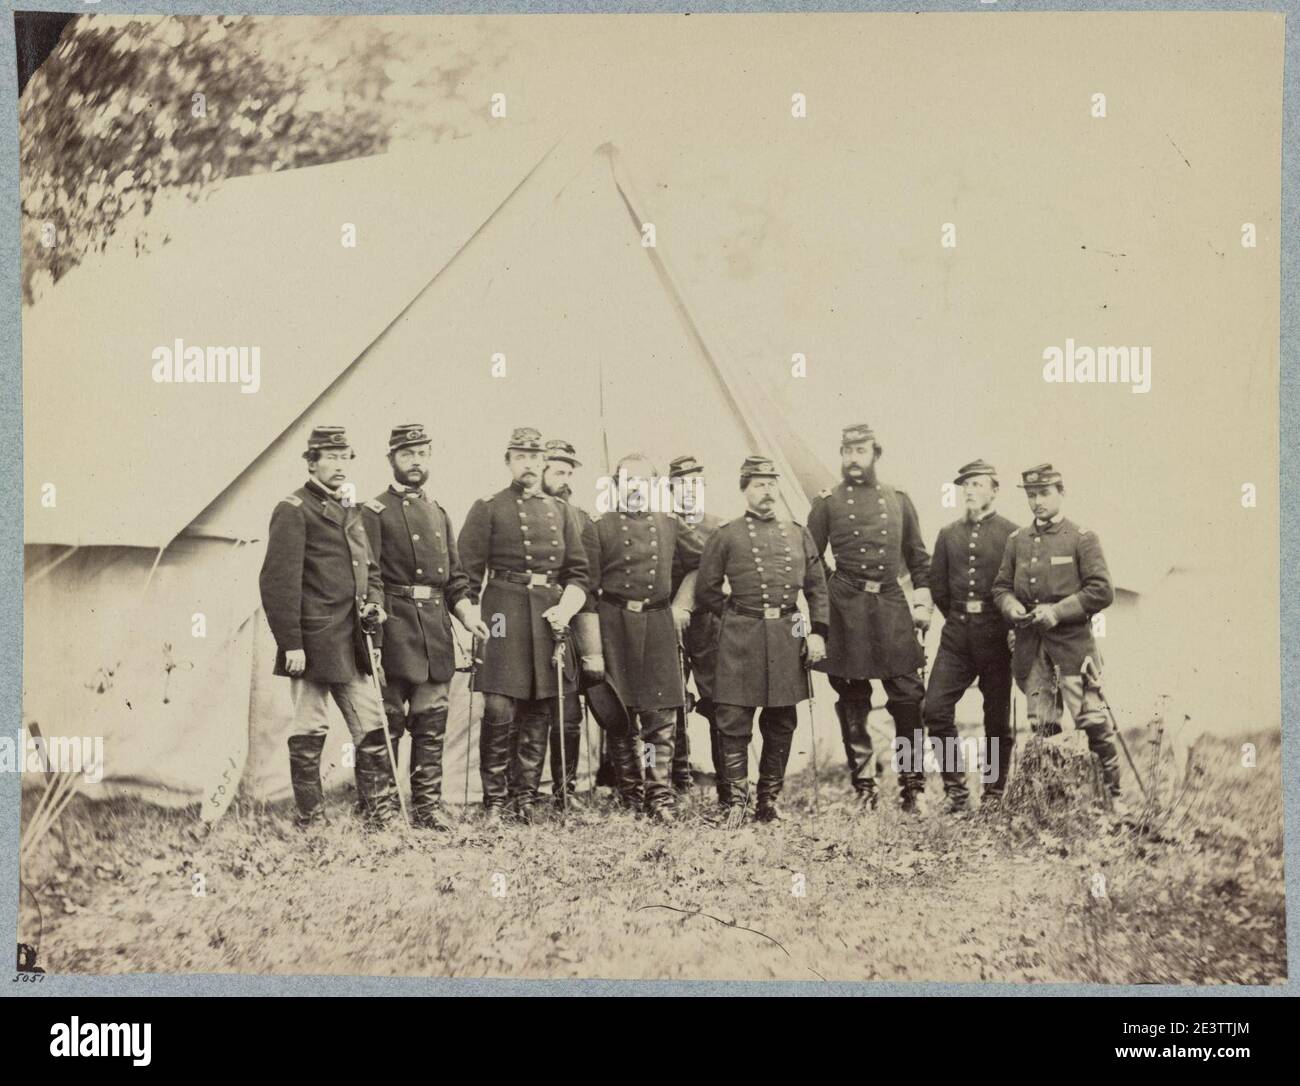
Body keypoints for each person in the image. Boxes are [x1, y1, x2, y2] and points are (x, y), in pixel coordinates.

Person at [457, 427, 590, 823]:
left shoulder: (562, 512)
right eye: (519, 457)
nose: (528, 464)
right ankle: (495, 800)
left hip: (548, 615)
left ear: (542, 462)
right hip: (502, 612)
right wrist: (469, 615)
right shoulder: (488, 507)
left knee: (540, 707)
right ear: (508, 462)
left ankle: (526, 797)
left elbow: (579, 574)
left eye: (534, 457)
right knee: (498, 706)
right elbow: (465, 572)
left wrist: (565, 608)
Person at [361, 423, 489, 830]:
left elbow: (455, 579)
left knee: (432, 720)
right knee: (387, 720)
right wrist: (375, 618)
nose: (416, 462)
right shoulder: (373, 512)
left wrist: (469, 616)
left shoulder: (439, 513)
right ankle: (381, 810)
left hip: (434, 631)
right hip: (394, 628)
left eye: (422, 454)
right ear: (392, 460)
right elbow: (370, 575)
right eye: (407, 454)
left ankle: (427, 808)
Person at [258, 425, 387, 828]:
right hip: (313, 641)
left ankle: (376, 814)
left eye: (345, 457)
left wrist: (377, 609)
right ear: (311, 463)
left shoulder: (352, 510)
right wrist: (291, 643)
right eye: (329, 457)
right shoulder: (294, 509)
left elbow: (371, 572)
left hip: (352, 640)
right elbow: (278, 583)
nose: (338, 465)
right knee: (311, 726)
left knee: (372, 724)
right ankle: (311, 819)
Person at [696, 456, 828, 828]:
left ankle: (768, 802)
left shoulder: (798, 533)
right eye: (758, 484)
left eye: (771, 483)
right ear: (744, 490)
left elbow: (817, 589)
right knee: (734, 718)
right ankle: (735, 802)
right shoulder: (727, 534)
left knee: (782, 719)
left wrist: (816, 632)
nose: (767, 490)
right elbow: (707, 590)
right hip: (742, 637)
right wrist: (736, 617)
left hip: (787, 635)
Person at [807, 423, 933, 812]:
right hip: (846, 610)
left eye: (860, 451)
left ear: (876, 453)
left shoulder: (898, 499)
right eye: (847, 451)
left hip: (891, 605)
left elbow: (917, 555)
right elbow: (810, 559)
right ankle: (865, 788)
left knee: (909, 696)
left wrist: (923, 600)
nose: (853, 459)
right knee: (852, 699)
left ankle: (913, 788)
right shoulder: (826, 502)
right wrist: (833, 591)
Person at [992, 463, 1121, 799]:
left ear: (1061, 493)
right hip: (1032, 649)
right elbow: (1001, 587)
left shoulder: (1082, 538)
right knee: (1043, 727)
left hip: (1073, 649)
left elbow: (1102, 590)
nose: (1037, 501)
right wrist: (1011, 608)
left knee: (1091, 721)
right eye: (1031, 495)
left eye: (1045, 493)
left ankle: (1112, 796)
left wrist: (1058, 612)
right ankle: (1057, 800)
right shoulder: (1017, 541)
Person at [586, 454, 698, 820]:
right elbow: (585, 588)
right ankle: (630, 795)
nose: (636, 488)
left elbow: (699, 564)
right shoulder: (599, 527)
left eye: (643, 481)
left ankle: (659, 796)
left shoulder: (669, 525)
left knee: (660, 716)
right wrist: (592, 648)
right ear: (617, 486)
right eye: (628, 481)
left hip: (658, 623)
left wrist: (683, 604)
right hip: (614, 623)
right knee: (618, 715)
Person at [922, 459, 1018, 813]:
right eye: (967, 485)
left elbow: (1018, 587)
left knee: (996, 719)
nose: (971, 491)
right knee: (935, 709)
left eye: (978, 484)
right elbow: (939, 588)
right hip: (957, 638)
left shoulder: (1013, 534)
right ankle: (957, 794)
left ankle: (993, 795)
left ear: (994, 490)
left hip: (996, 638)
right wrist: (961, 619)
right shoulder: (948, 535)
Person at [540, 438, 601, 807]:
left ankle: (565, 791)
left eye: (568, 472)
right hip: (527, 615)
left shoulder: (581, 518)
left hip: (571, 617)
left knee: (568, 708)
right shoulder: (516, 512)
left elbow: (589, 580)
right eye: (556, 471)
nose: (563, 479)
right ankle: (518, 792)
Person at [667, 454, 725, 800]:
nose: (688, 492)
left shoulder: (719, 527)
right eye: (681, 486)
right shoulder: (662, 524)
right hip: (667, 625)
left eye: (694, 485)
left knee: (719, 702)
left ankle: (727, 783)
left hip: (708, 624)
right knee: (671, 701)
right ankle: (678, 780)